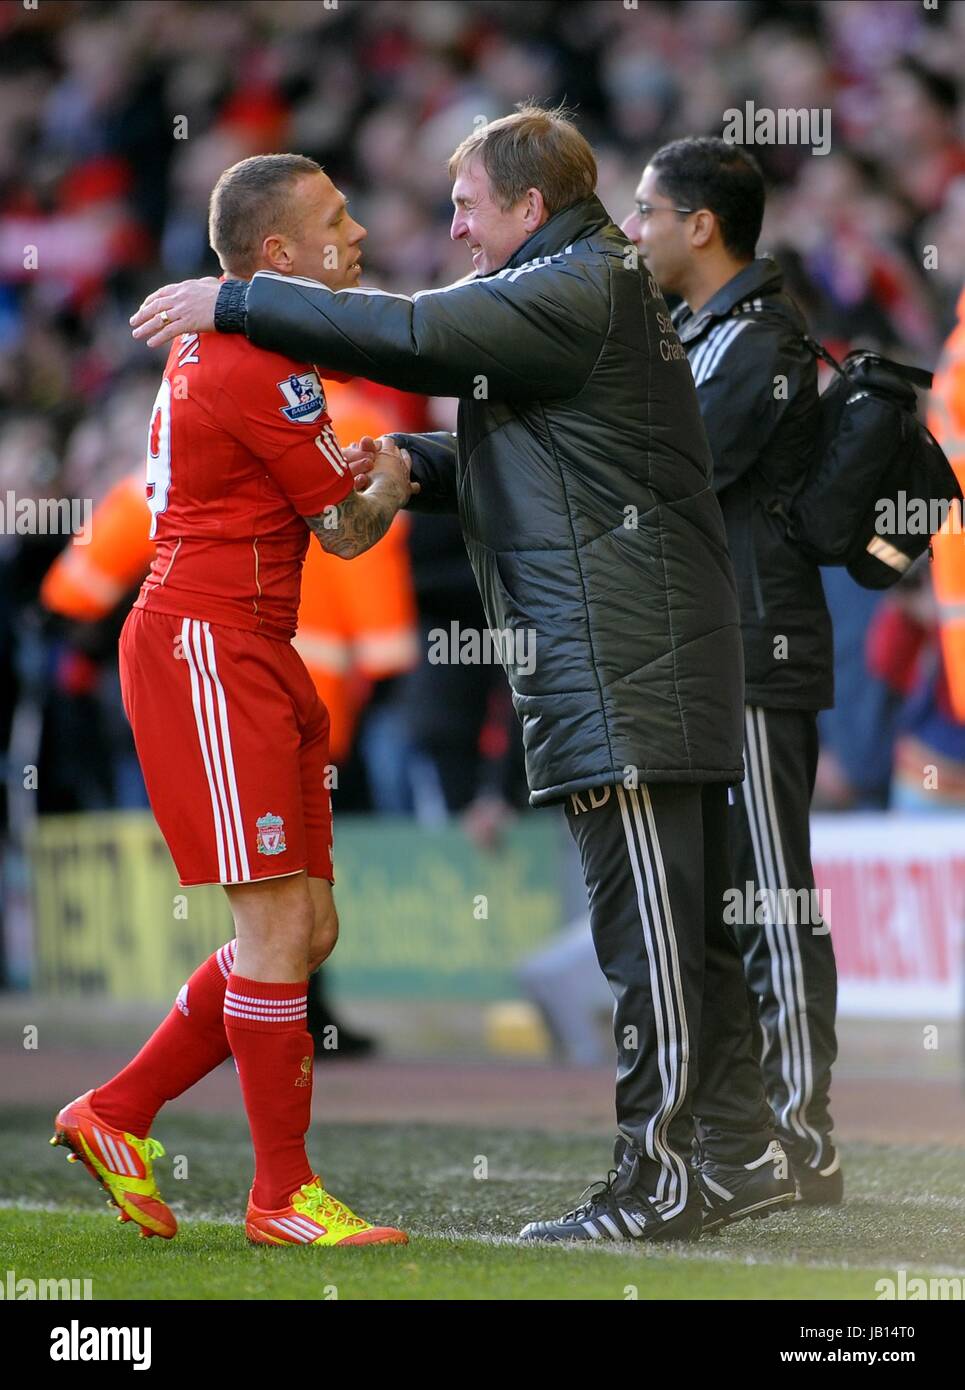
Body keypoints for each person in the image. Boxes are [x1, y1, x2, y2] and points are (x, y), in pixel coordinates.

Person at [131, 106, 793, 1243]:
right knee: (679, 931)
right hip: (639, 650)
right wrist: (410, 462)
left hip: (619, 659)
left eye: (468, 208)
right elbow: (541, 451)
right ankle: (731, 1153)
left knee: (651, 940)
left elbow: (417, 335)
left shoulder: (573, 280)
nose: (449, 229)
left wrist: (232, 299)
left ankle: (663, 1178)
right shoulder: (589, 286)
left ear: (528, 209)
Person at [51, 154, 417, 1248]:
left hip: (244, 642)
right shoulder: (265, 363)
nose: (355, 232)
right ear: (277, 255)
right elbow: (344, 531)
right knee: (272, 926)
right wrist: (396, 478)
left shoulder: (246, 344)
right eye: (336, 219)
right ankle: (280, 1196)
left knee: (304, 927)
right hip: (208, 646)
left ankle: (113, 1112)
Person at [621, 137, 842, 1203]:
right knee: (726, 906)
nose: (633, 229)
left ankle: (802, 1139)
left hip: (758, 651)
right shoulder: (704, 332)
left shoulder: (756, 339)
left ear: (697, 225)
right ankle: (755, 1134)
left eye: (644, 210)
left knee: (767, 902)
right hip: (719, 654)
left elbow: (676, 473)